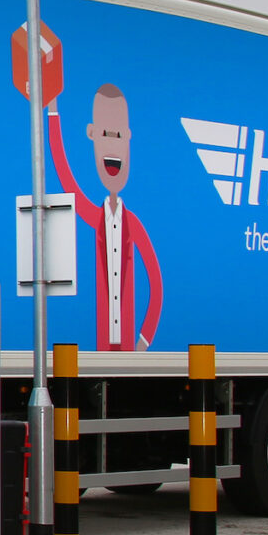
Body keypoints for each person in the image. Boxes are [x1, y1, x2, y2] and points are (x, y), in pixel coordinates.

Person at [48, 82, 163, 350]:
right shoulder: (95, 217)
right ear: (91, 135)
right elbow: (66, 178)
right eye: (105, 134)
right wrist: (53, 111)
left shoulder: (133, 223)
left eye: (119, 135)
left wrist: (143, 341)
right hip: (102, 342)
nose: (113, 145)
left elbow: (155, 283)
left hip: (127, 344)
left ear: (130, 137)